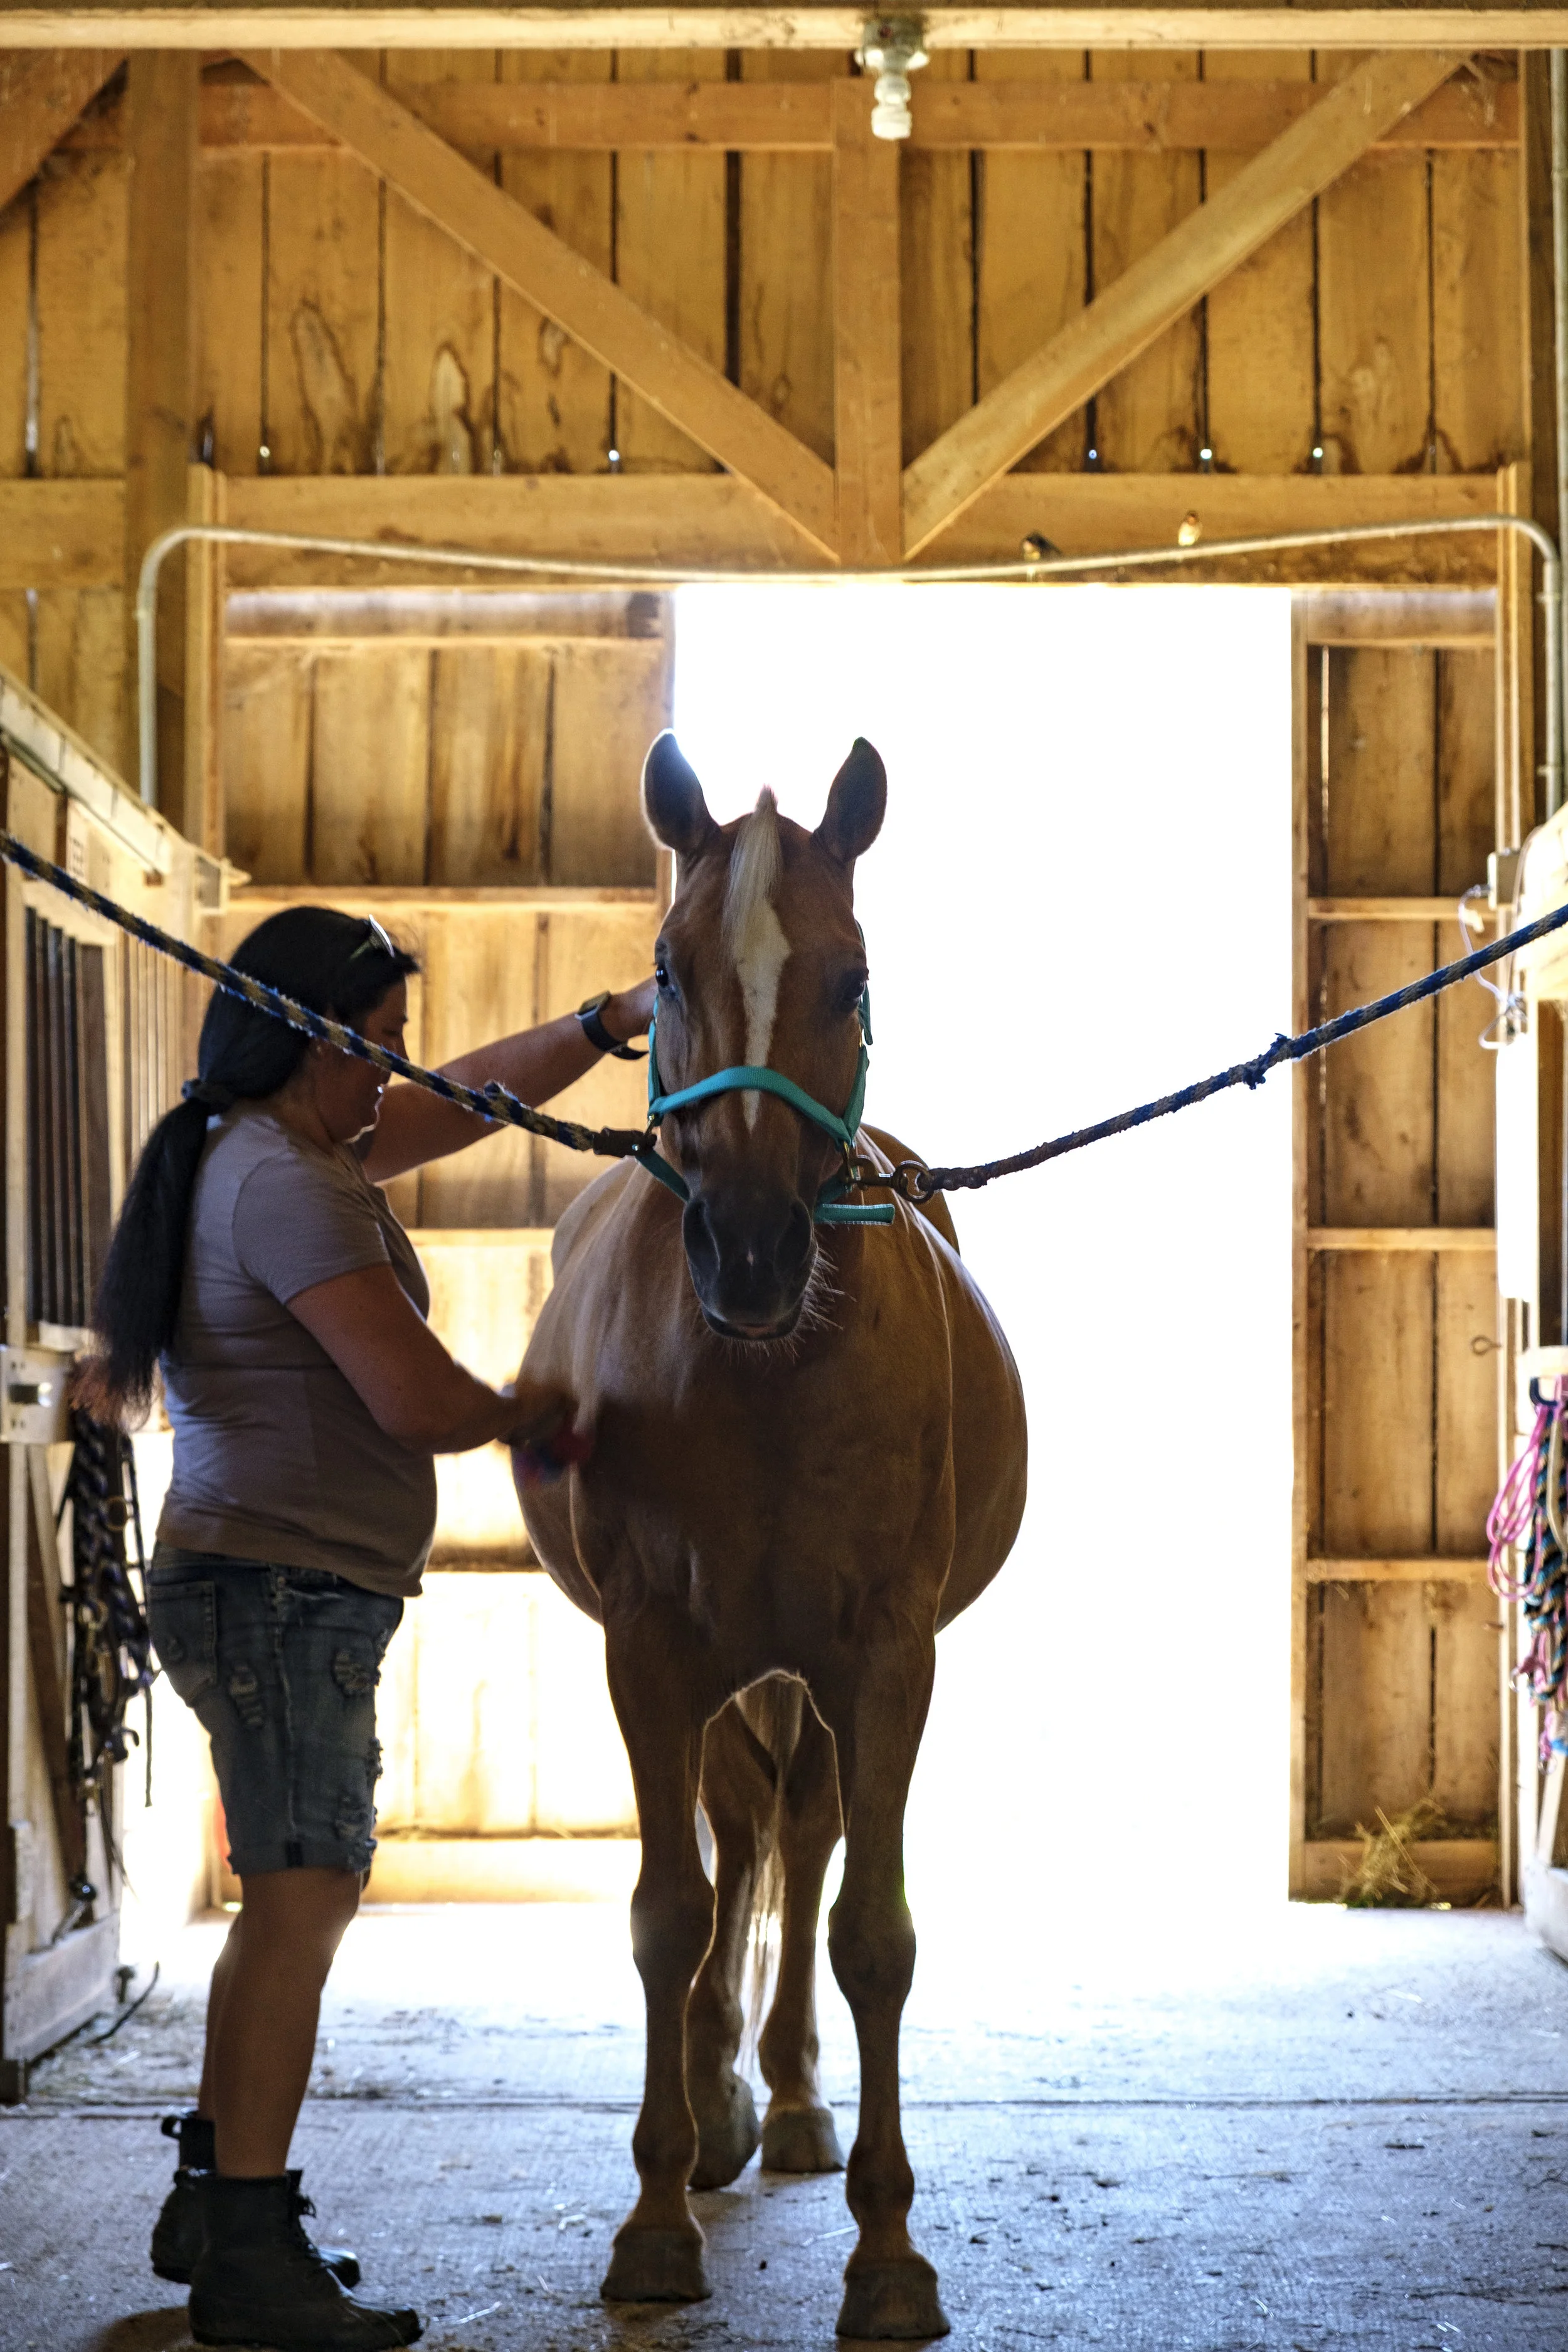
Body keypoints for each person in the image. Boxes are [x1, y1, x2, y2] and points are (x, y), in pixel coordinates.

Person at [84, 908, 652, 2352]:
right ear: (308, 1038)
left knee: (289, 1901)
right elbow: (414, 1399)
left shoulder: (270, 1150)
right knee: (299, 1911)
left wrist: (604, 1026)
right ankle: (251, 2258)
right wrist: (542, 1409)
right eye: (378, 1044)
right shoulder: (289, 1185)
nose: (400, 1074)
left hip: (271, 1585)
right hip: (281, 1592)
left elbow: (470, 1099)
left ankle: (220, 2201)